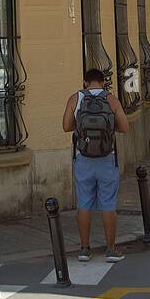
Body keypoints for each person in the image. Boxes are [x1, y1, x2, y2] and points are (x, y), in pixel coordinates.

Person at [62, 68, 130, 262]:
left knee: (84, 203)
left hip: (83, 158)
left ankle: (84, 249)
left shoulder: (75, 99)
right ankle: (110, 249)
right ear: (103, 82)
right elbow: (125, 127)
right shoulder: (111, 100)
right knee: (108, 204)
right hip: (107, 158)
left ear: (85, 82)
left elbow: (66, 126)